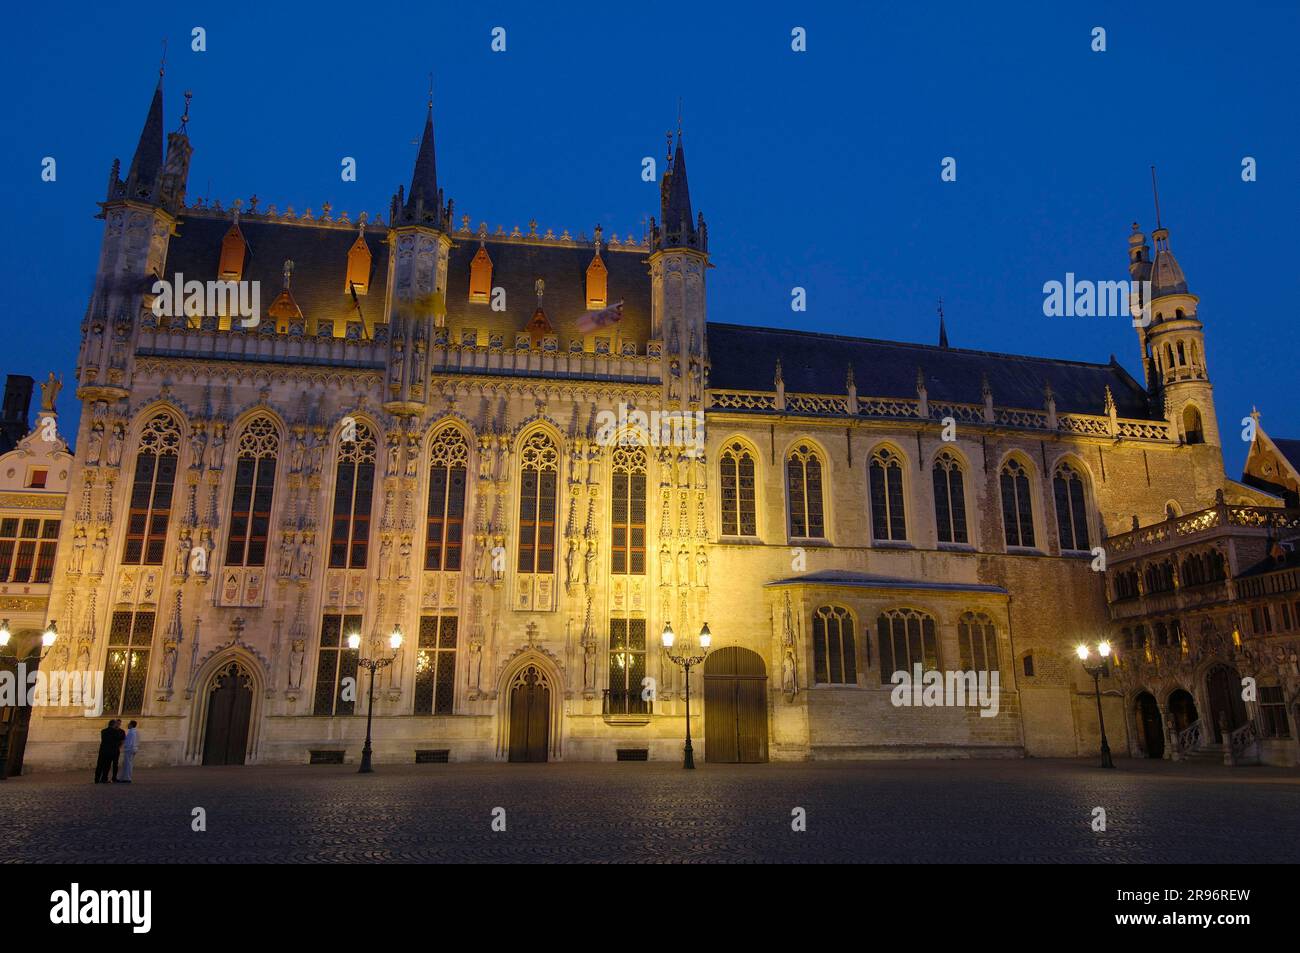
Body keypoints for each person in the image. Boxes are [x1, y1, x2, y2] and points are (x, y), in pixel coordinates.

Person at [93, 719, 117, 783]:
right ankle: (104, 779)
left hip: (103, 750)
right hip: (110, 751)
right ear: (113, 724)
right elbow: (116, 741)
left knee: (99, 765)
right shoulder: (115, 732)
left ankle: (96, 779)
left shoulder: (103, 731)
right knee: (107, 766)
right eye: (115, 724)